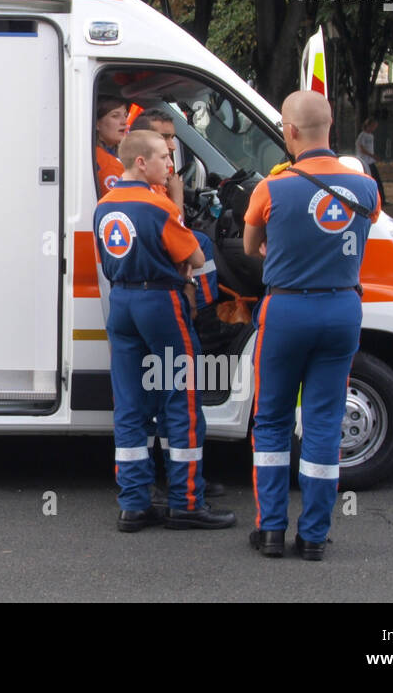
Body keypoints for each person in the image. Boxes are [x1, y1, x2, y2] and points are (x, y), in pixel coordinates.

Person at [242, 91, 380, 560]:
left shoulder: (272, 187)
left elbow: (249, 245)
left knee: (273, 420)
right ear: (332, 124)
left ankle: (270, 531)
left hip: (285, 312)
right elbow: (356, 234)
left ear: (290, 131)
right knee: (323, 421)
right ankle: (315, 536)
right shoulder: (365, 187)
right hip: (342, 310)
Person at [94, 129, 236, 532]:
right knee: (182, 402)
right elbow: (192, 253)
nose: (169, 165)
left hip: (122, 304)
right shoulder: (157, 205)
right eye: (161, 157)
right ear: (141, 162)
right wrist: (183, 268)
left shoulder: (104, 206)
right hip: (160, 303)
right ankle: (187, 502)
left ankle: (134, 504)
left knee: (130, 406)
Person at [94, 96, 128, 196]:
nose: (124, 122)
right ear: (97, 124)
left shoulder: (125, 155)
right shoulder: (96, 158)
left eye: (125, 116)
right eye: (115, 116)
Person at [355, 118, 387, 206]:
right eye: (373, 126)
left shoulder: (371, 136)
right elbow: (361, 148)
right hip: (365, 162)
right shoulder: (362, 135)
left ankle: (381, 199)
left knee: (377, 181)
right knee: (374, 180)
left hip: (370, 161)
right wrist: (372, 155)